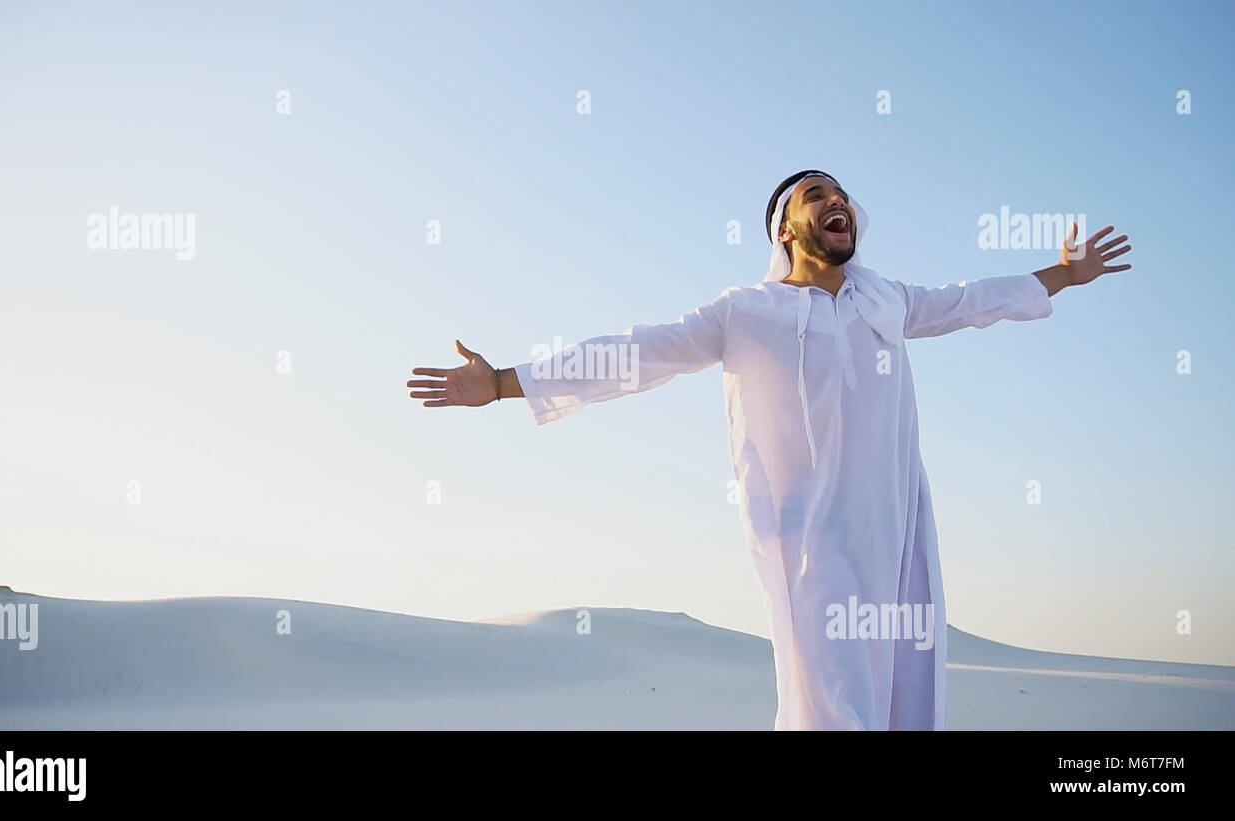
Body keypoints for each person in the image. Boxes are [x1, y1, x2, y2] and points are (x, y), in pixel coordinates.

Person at [406, 170, 1132, 730]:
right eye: (819, 197)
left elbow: (971, 300)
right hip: (810, 547)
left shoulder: (888, 298)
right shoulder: (743, 312)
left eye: (844, 196)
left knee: (908, 693)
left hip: (901, 535)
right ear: (785, 229)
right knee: (829, 701)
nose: (837, 202)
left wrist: (1063, 274)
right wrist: (504, 382)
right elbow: (636, 354)